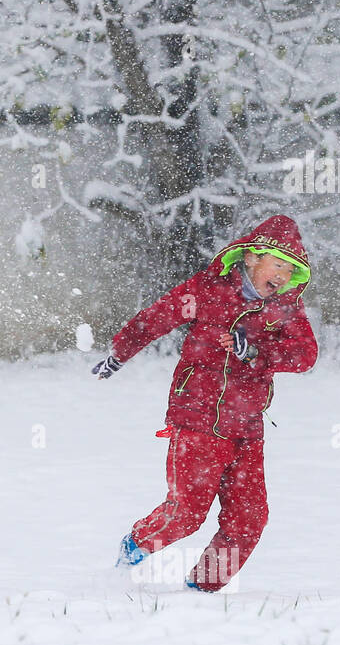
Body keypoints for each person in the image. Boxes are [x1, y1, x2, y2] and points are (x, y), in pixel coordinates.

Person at [92, 215, 317, 591]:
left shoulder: (284, 308)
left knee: (249, 518)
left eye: (289, 269)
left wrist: (258, 351)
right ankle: (131, 551)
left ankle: (202, 590)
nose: (281, 275)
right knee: (187, 512)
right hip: (198, 416)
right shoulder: (210, 289)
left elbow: (306, 355)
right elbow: (157, 317)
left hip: (246, 427)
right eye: (276, 263)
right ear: (251, 258)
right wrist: (120, 352)